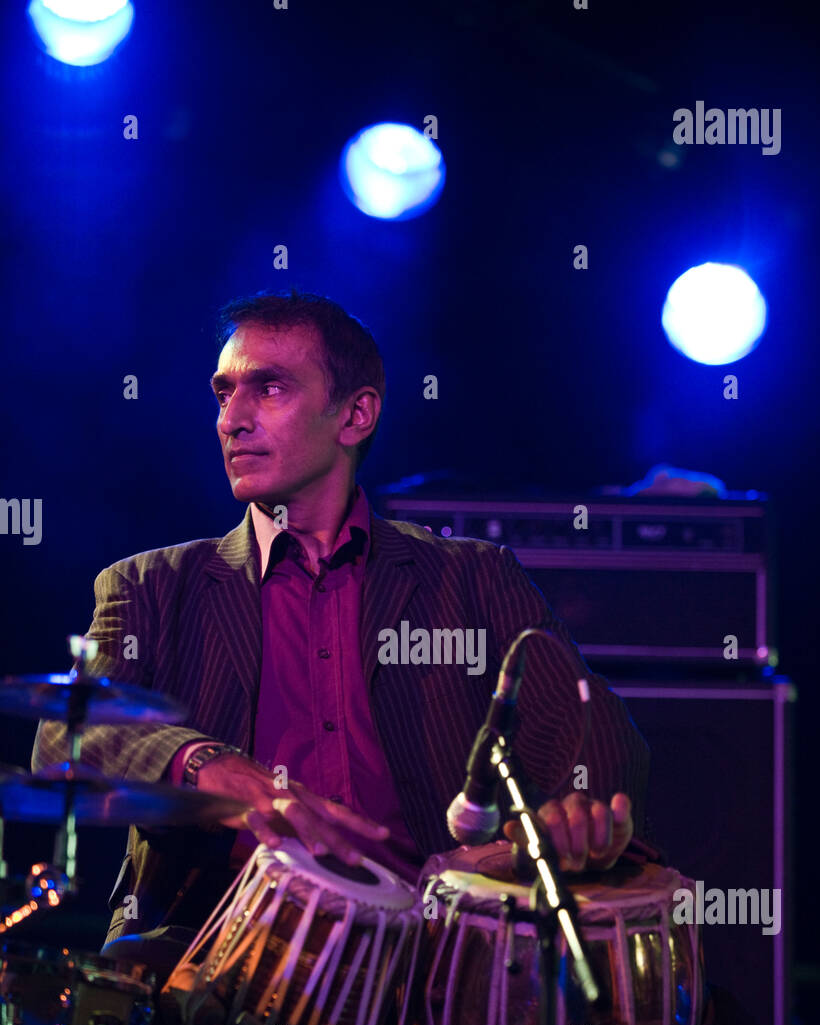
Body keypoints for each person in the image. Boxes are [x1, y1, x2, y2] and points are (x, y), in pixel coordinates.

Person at [31, 289, 649, 974]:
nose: (231, 420)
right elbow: (66, 734)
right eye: (223, 392)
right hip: (207, 954)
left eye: (268, 389)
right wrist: (215, 770)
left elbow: (605, 746)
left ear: (355, 415)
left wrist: (545, 831)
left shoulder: (473, 577)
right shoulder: (150, 586)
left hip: (437, 958)